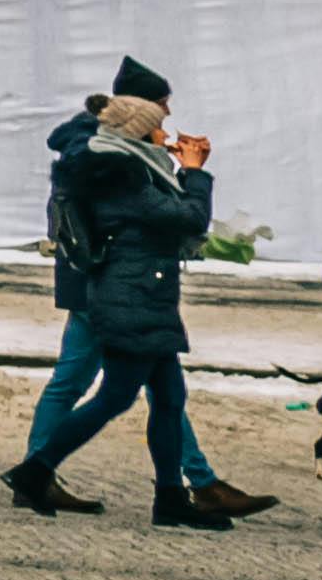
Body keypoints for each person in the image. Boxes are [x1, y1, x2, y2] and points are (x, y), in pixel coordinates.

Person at [14, 79, 269, 527]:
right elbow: (185, 217)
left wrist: (183, 168)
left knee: (168, 396)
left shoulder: (131, 164)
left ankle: (172, 498)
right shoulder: (119, 171)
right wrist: (195, 172)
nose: (167, 127)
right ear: (139, 126)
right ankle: (34, 471)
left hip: (144, 293)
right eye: (159, 119)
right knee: (112, 396)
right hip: (128, 296)